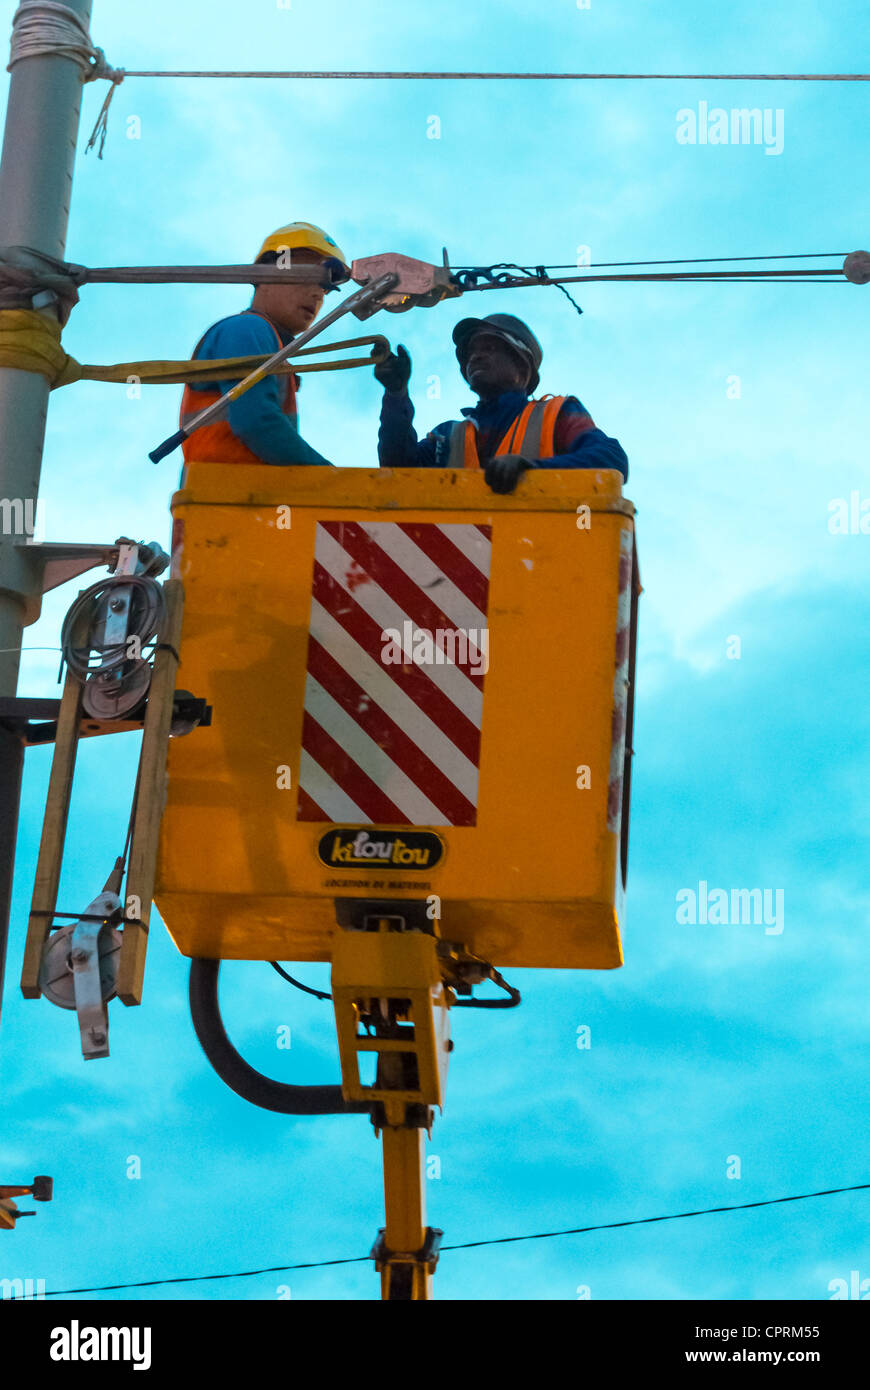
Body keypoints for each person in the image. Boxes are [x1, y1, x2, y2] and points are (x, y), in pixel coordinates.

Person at [375, 313, 628, 492]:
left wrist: (533, 470)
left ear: (521, 366)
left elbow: (611, 459)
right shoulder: (448, 436)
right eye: (471, 352)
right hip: (457, 563)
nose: (476, 356)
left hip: (537, 557)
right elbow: (398, 472)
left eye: (489, 348)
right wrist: (396, 395)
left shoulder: (555, 415)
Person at [178, 222, 351, 466]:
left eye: (324, 287)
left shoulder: (274, 349)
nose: (318, 294)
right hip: (228, 495)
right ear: (265, 275)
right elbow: (257, 421)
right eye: (307, 278)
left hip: (239, 496)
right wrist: (335, 480)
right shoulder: (247, 329)